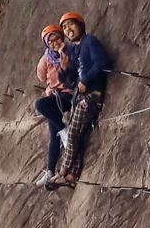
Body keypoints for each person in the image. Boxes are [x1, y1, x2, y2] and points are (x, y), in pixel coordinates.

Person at [55, 12, 109, 183]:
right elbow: (71, 82)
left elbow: (102, 62)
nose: (68, 29)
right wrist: (64, 69)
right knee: (76, 134)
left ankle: (63, 172)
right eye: (64, 27)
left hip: (92, 96)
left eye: (71, 24)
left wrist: (85, 79)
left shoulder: (90, 42)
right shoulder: (74, 51)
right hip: (80, 97)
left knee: (72, 133)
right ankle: (74, 173)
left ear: (80, 24)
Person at [34, 25, 74, 186]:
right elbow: (41, 75)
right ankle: (50, 171)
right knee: (53, 133)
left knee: (40, 104)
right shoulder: (47, 58)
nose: (55, 42)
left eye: (57, 38)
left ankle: (65, 132)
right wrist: (50, 87)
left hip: (69, 95)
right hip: (56, 95)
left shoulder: (70, 51)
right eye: (50, 41)